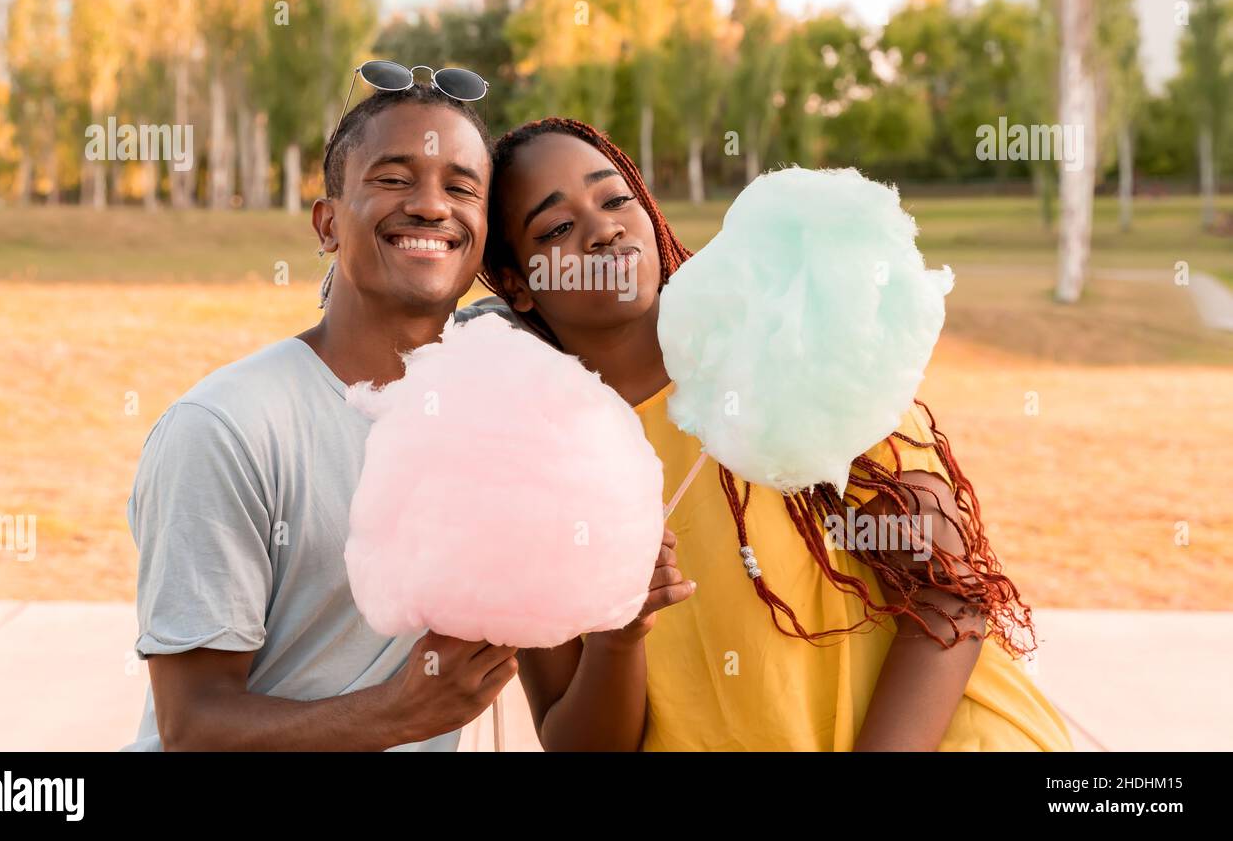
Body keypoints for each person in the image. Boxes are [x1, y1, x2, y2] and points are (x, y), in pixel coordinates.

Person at [475, 116, 1074, 752]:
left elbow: (948, 598)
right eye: (557, 228)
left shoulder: (788, 340)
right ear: (518, 286)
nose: (603, 229)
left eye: (615, 197)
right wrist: (618, 634)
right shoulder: (540, 473)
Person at [124, 83, 519, 751]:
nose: (429, 205)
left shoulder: (498, 406)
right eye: (394, 179)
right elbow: (193, 727)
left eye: (461, 188)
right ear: (328, 223)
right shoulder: (226, 428)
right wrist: (398, 712)